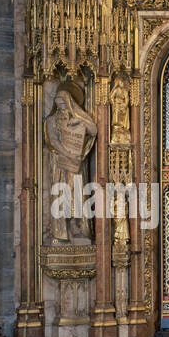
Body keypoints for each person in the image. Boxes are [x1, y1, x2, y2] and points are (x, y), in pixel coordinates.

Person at [44, 81, 98, 244]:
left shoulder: (76, 118)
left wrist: (80, 121)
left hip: (76, 164)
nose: (61, 107)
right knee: (60, 193)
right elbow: (53, 141)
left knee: (77, 192)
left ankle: (78, 226)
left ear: (69, 103)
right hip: (60, 162)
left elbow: (93, 130)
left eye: (64, 103)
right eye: (58, 103)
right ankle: (60, 231)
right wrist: (67, 154)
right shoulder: (51, 120)